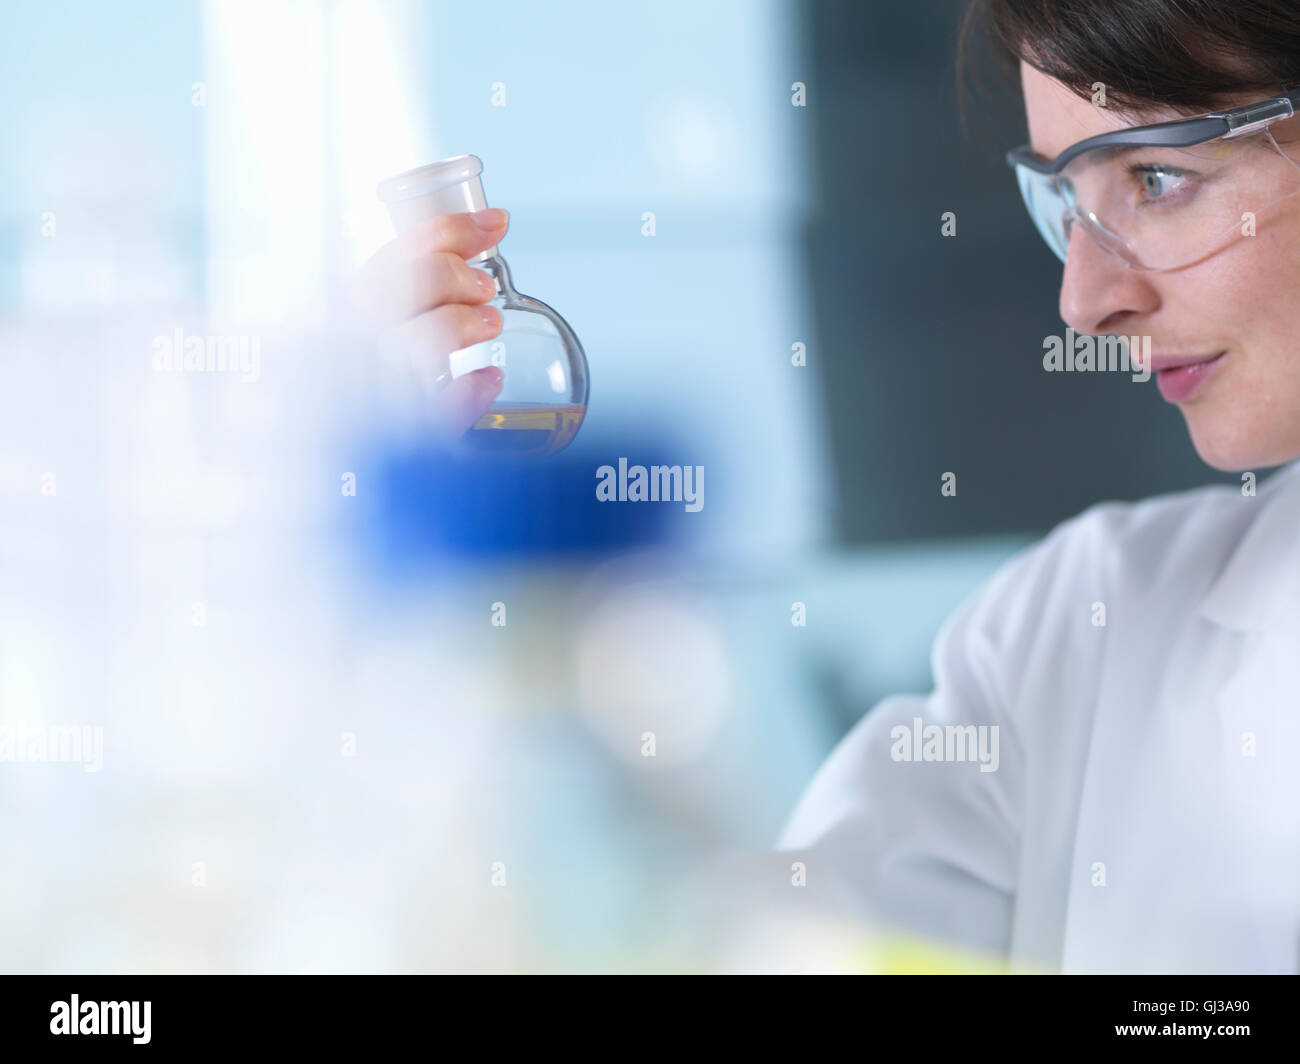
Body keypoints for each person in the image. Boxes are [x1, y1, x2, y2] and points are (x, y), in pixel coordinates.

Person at [358, 0, 1300, 973]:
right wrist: (424, 570)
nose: (1082, 299)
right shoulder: (1080, 637)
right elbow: (715, 944)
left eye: (1156, 176)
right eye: (1068, 199)